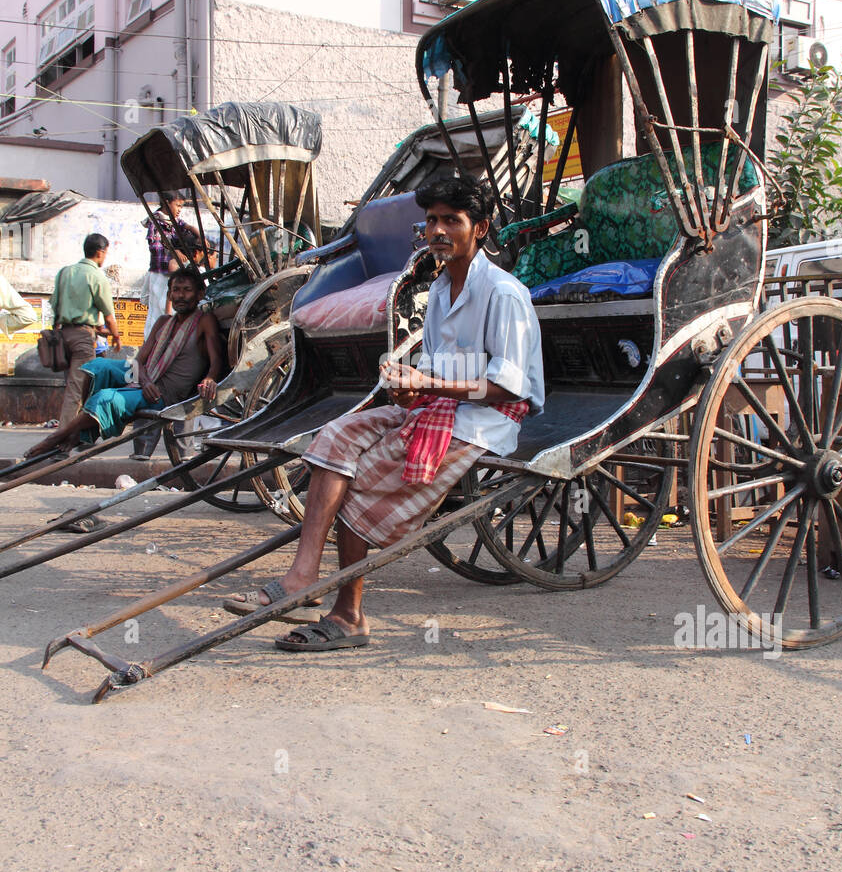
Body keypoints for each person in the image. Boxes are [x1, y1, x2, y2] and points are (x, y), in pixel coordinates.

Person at [223, 168, 544, 650]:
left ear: (479, 229)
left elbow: (508, 386)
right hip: (437, 407)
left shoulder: (503, 293)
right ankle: (303, 572)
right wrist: (409, 391)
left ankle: (348, 616)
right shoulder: (439, 290)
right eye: (432, 220)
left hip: (484, 421)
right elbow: (434, 371)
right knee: (335, 436)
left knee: (361, 480)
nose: (438, 231)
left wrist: (427, 383)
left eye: (452, 221)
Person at [25, 267, 223, 457]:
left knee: (104, 399)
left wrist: (210, 378)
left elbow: (216, 359)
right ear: (169, 295)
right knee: (94, 367)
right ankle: (80, 432)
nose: (180, 295)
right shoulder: (164, 321)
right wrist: (145, 382)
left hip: (165, 393)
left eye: (187, 290)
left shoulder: (204, 321)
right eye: (176, 290)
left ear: (199, 294)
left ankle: (56, 437)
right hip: (146, 378)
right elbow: (139, 360)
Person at [50, 234, 121, 428]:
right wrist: (116, 336)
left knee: (75, 387)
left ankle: (79, 432)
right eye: (106, 253)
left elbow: (54, 304)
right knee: (78, 388)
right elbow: (108, 314)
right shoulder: (97, 276)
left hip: (63, 335)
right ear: (100, 252)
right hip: (83, 337)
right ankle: (63, 439)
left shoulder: (65, 272)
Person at [141, 192, 215, 338]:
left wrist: (200, 235)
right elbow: (156, 246)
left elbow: (188, 226)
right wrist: (174, 251)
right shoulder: (156, 222)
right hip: (161, 264)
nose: (180, 209)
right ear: (166, 202)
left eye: (182, 206)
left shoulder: (175, 221)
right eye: (178, 205)